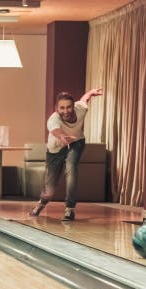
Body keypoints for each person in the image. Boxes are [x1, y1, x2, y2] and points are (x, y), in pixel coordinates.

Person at [30, 88, 103, 221]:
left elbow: (84, 99)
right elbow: (56, 131)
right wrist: (63, 137)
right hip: (55, 149)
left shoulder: (80, 108)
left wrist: (91, 93)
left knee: (71, 167)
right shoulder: (53, 119)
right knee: (50, 189)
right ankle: (41, 203)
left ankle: (70, 209)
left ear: (73, 106)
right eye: (62, 108)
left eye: (69, 107)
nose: (65, 111)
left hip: (76, 143)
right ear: (57, 108)